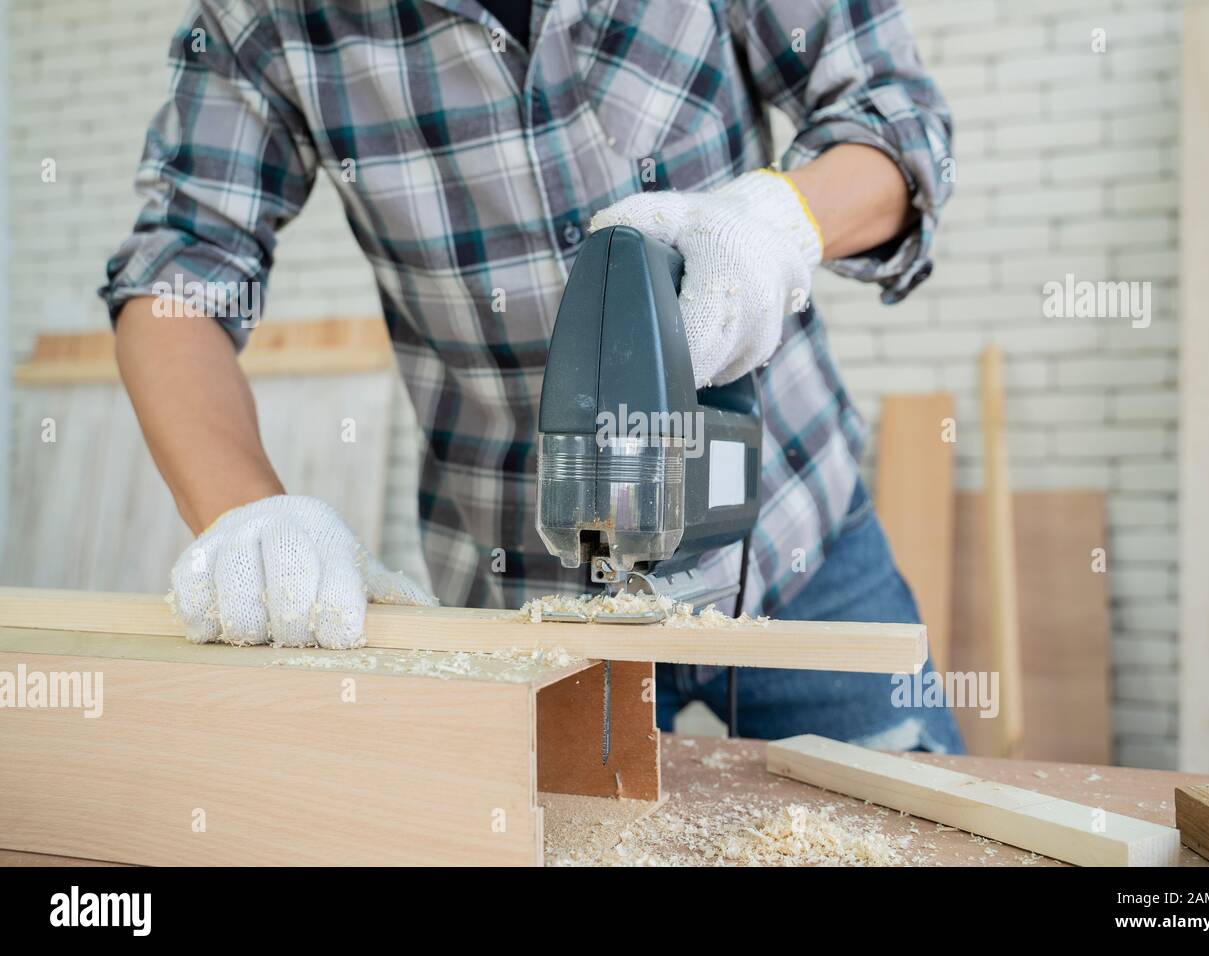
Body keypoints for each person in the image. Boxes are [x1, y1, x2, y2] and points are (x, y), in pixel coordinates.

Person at [103, 0, 962, 752]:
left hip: (793, 541)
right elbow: (180, 266)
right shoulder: (269, 15)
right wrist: (250, 514)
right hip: (530, 601)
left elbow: (897, 117)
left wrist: (783, 220)